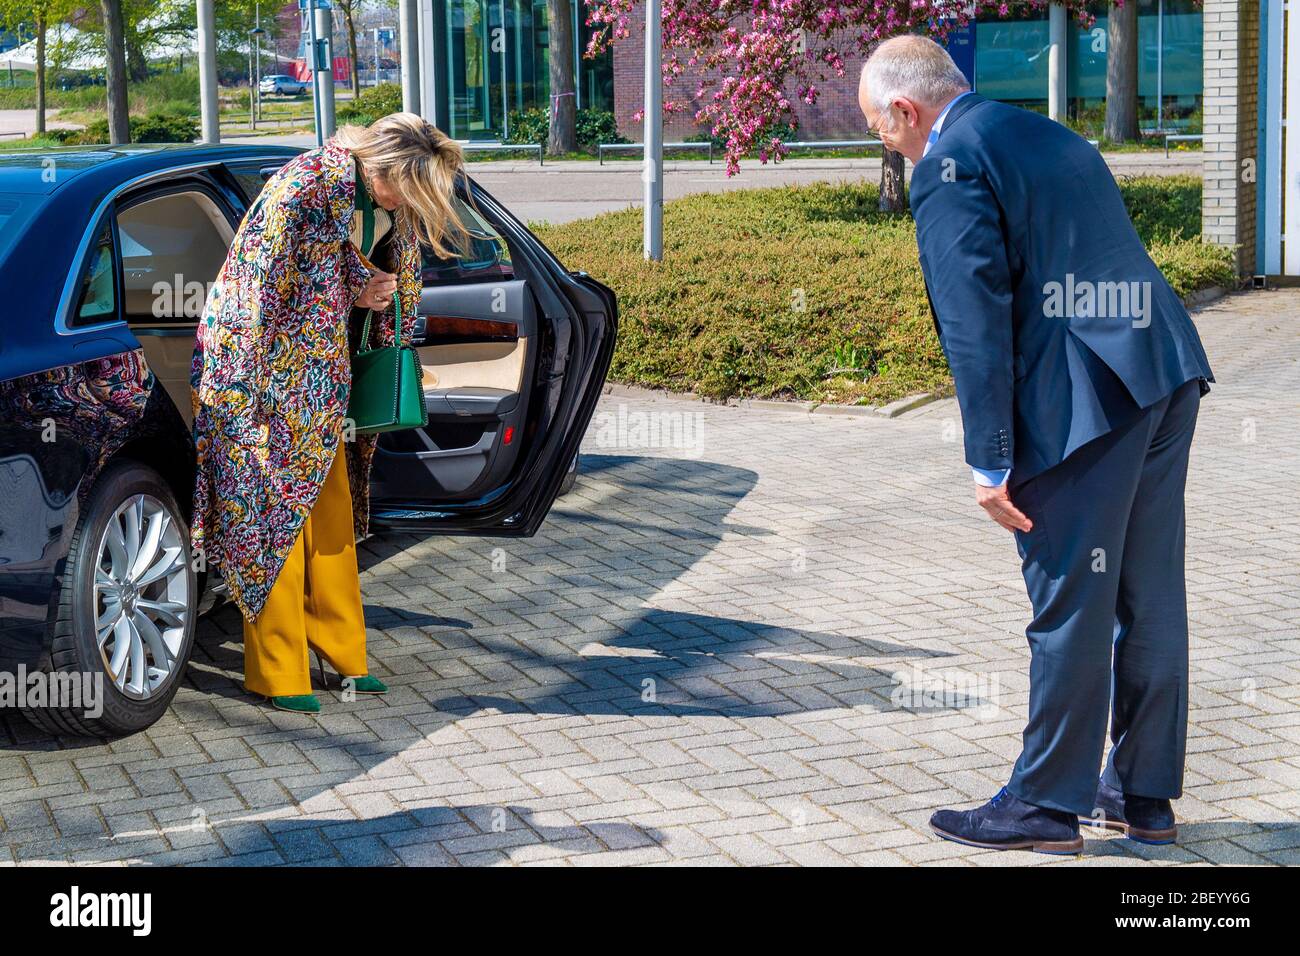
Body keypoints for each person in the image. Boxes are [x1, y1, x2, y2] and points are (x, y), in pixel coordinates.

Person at [858, 36, 1213, 853]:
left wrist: (988, 460)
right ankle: (1142, 796)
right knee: (1148, 592)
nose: (888, 142)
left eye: (882, 127)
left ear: (908, 110)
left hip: (1085, 402)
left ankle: (1044, 807)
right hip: (1162, 370)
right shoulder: (1044, 132)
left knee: (1070, 605)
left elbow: (973, 323)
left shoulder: (945, 168)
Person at [190, 113, 468, 714]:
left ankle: (342, 654)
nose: (411, 202)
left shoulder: (383, 195)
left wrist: (369, 292)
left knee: (330, 508)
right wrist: (355, 289)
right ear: (380, 166)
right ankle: (278, 671)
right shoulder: (305, 186)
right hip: (259, 371)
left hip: (324, 374)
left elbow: (351, 272)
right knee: (273, 517)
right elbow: (256, 288)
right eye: (408, 189)